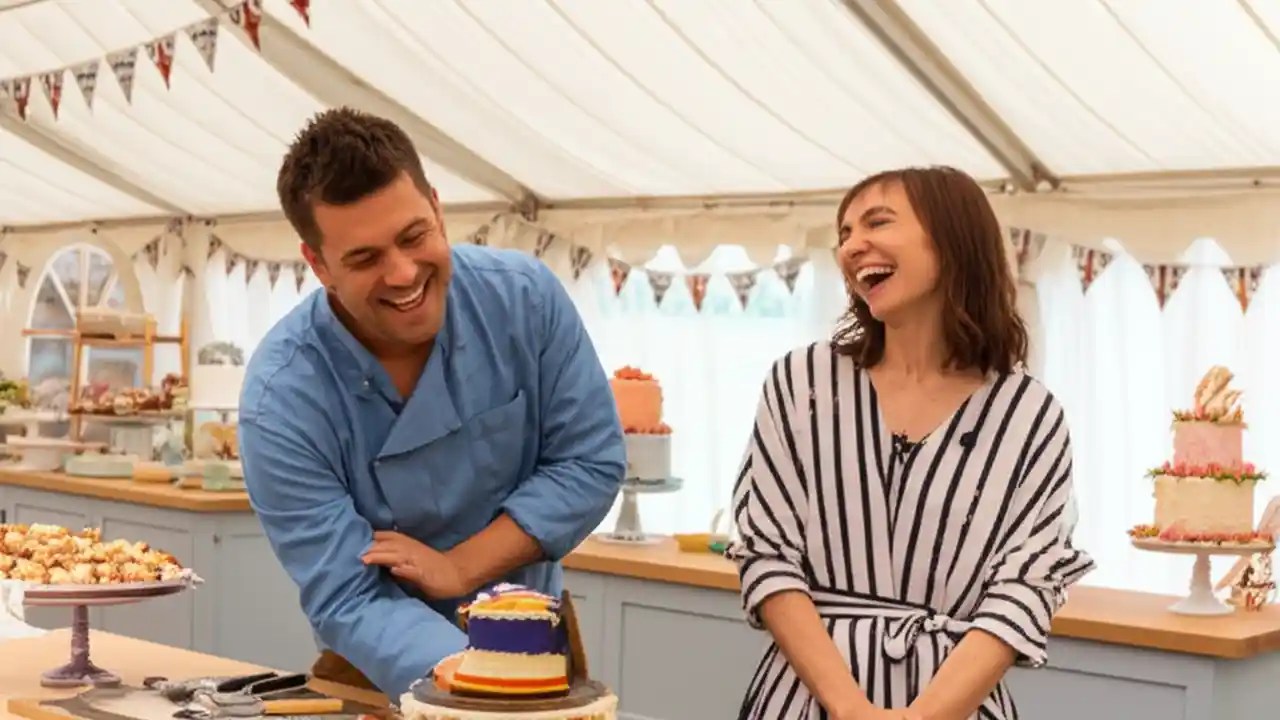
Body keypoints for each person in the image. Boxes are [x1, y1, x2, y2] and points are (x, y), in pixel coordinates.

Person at [238, 108, 625, 700]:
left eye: (414, 236)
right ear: (317, 265)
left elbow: (590, 463)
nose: (403, 274)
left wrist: (463, 566)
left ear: (438, 209)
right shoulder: (281, 397)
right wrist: (475, 689)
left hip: (534, 647)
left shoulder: (525, 300)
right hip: (375, 667)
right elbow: (347, 592)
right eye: (365, 259)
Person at [726, 166, 1094, 720]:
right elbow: (767, 556)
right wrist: (850, 708)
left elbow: (1023, 592)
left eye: (877, 222)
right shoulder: (801, 383)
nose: (852, 246)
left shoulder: (1030, 416)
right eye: (844, 233)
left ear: (952, 239)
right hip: (804, 702)